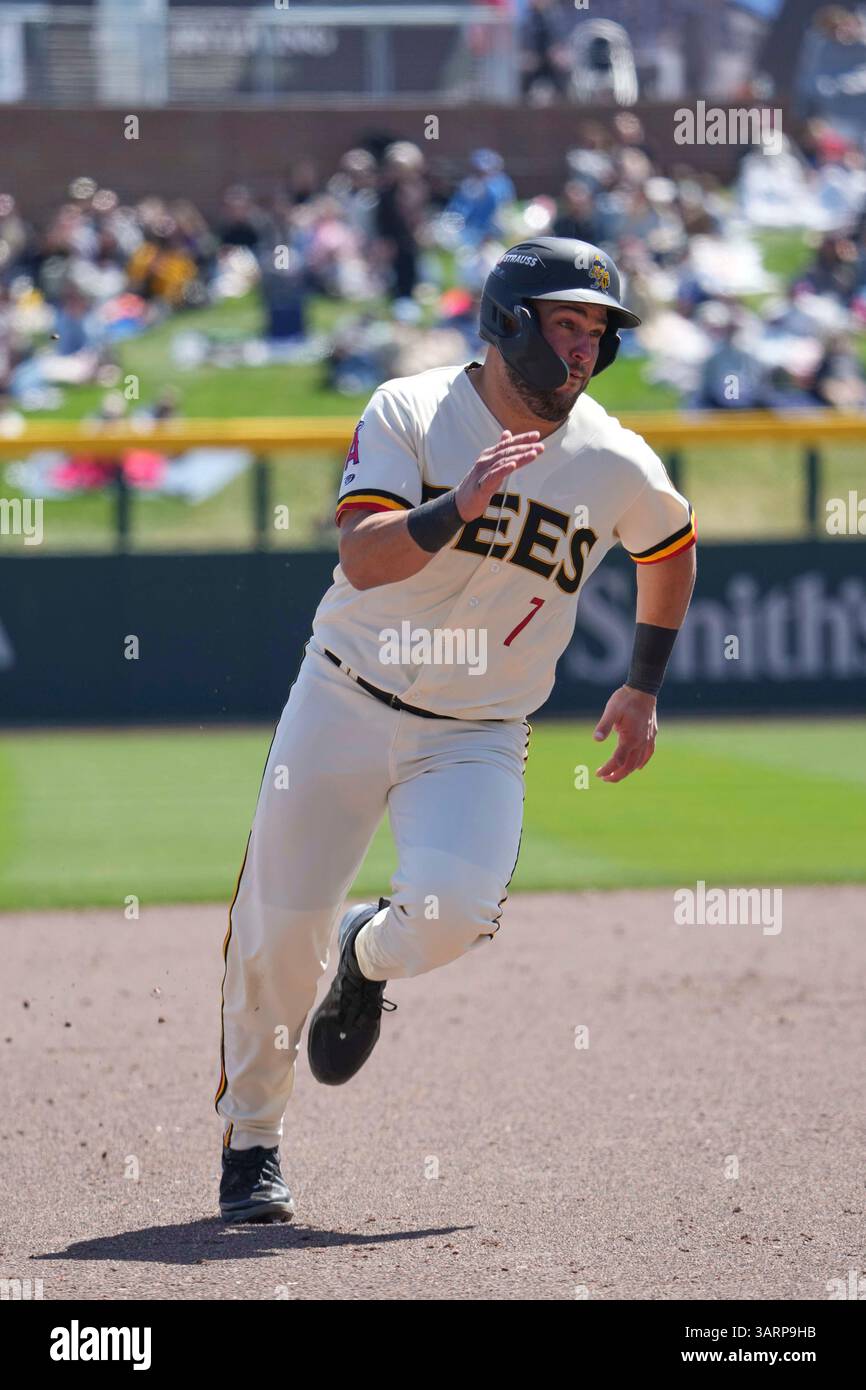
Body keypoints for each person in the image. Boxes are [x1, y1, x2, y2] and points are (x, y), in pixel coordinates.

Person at [215, 237, 698, 1224]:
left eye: (596, 332)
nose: (581, 349)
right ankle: (252, 1141)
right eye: (565, 323)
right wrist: (454, 505)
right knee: (277, 936)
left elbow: (670, 544)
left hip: (473, 731)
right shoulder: (411, 410)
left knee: (454, 912)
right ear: (508, 320)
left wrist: (641, 687)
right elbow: (362, 557)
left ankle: (368, 957)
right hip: (344, 696)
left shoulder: (610, 457)